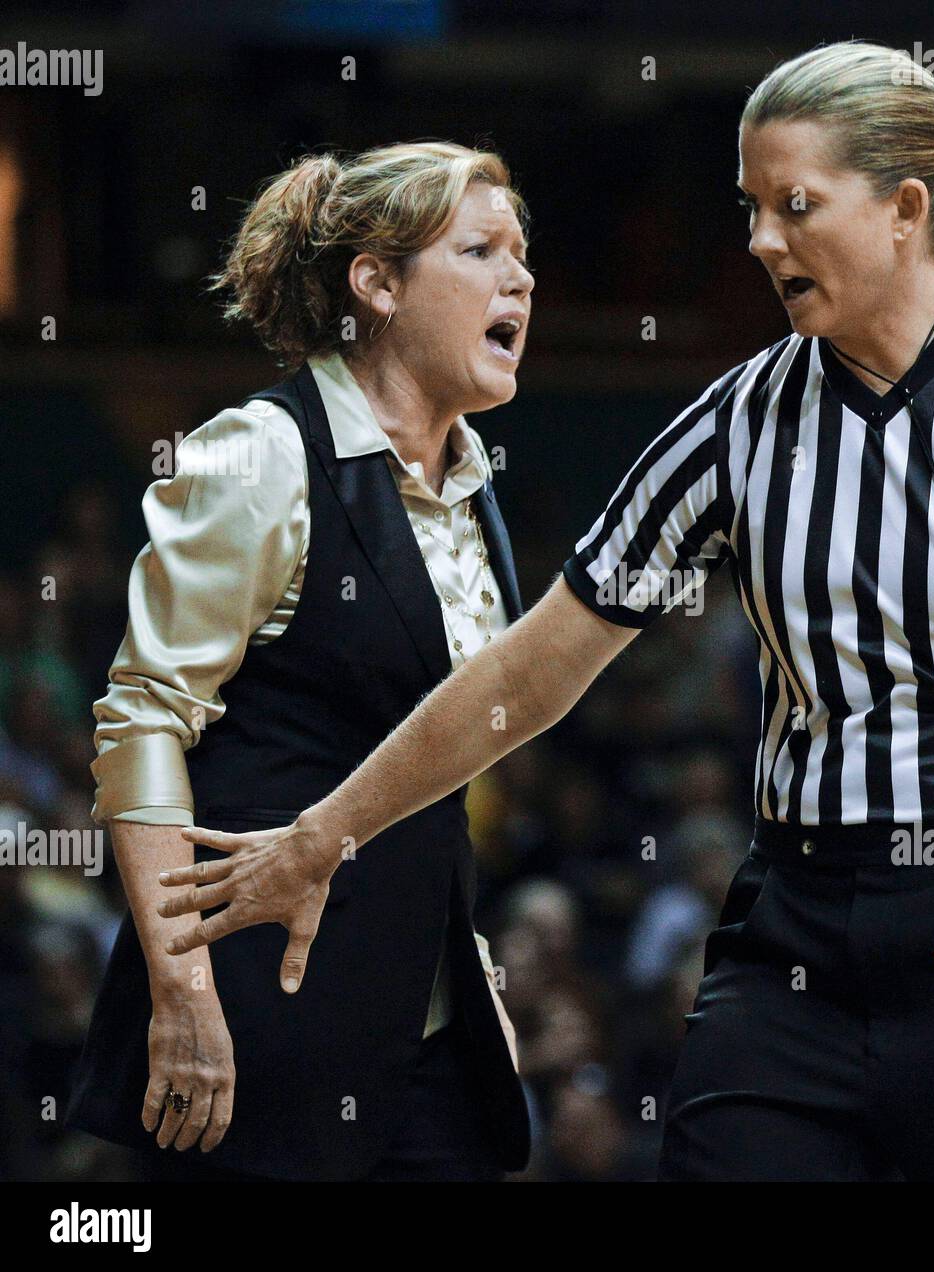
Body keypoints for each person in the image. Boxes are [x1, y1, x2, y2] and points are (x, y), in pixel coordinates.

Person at [160, 43, 934, 1181]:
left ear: (905, 210)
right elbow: (531, 674)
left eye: (795, 206)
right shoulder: (737, 422)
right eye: (751, 207)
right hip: (802, 938)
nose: (762, 240)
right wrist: (324, 835)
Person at [64, 142, 533, 1181]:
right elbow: (142, 716)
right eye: (481, 250)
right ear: (375, 280)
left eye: (522, 253)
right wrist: (182, 994)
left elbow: (442, 764)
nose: (521, 278)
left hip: (427, 1028)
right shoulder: (263, 452)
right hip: (252, 1022)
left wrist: (471, 972)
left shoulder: (471, 484)